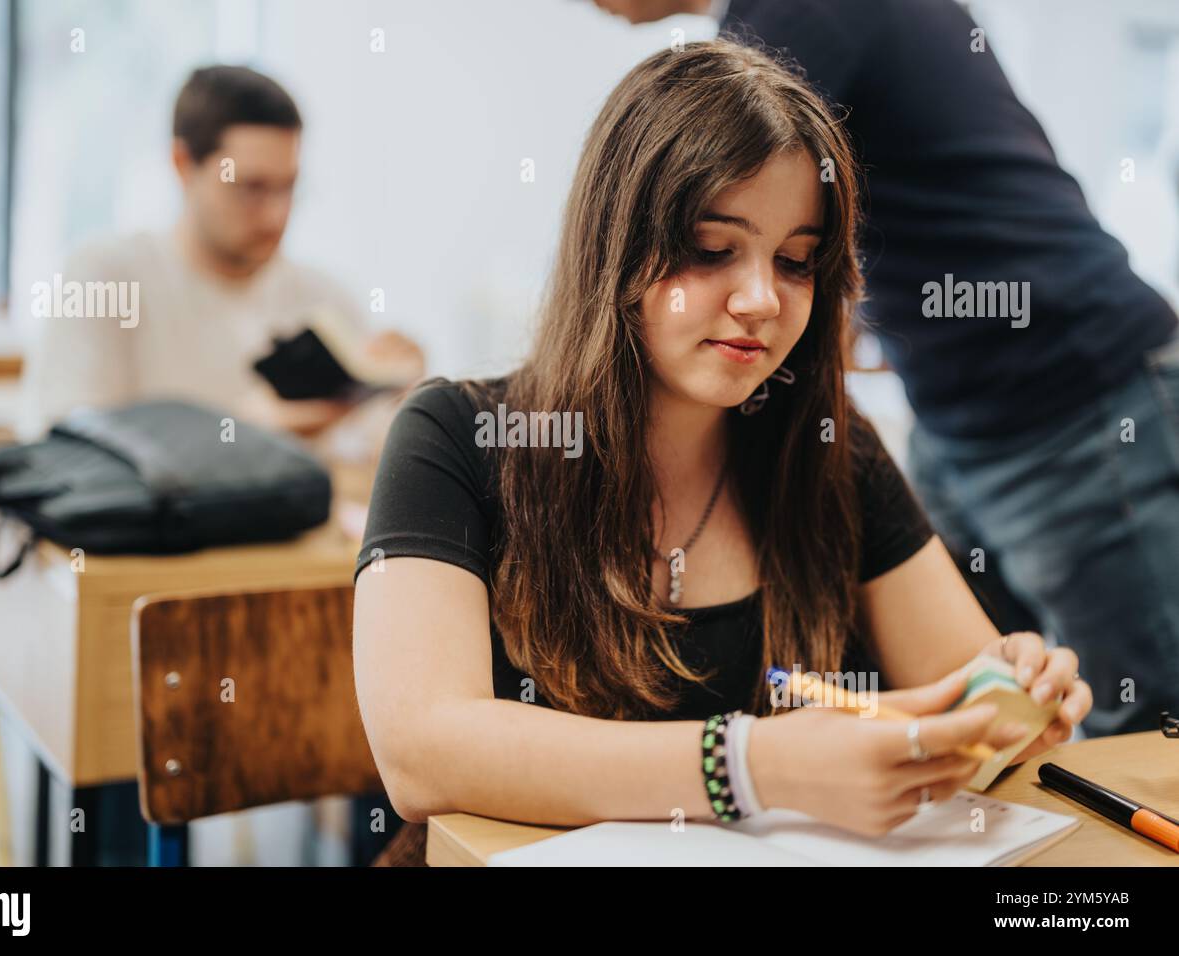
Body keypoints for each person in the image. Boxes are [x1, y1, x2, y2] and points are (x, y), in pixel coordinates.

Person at [353, 40, 1090, 860]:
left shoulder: (833, 452)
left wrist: (1016, 695)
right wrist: (750, 766)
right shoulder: (456, 437)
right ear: (616, 245)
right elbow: (420, 753)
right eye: (712, 250)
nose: (760, 299)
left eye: (797, 262)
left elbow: (967, 703)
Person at [594, 0, 1179, 737]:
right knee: (996, 707)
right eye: (713, 249)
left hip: (1074, 391)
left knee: (1144, 729)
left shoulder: (797, 16)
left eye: (799, 262)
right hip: (958, 414)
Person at [20, 64, 423, 438]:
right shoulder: (105, 278)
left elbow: (367, 456)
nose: (275, 216)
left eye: (289, 187)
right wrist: (252, 430)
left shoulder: (326, 298)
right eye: (251, 188)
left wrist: (408, 403)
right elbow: (74, 455)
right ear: (182, 164)